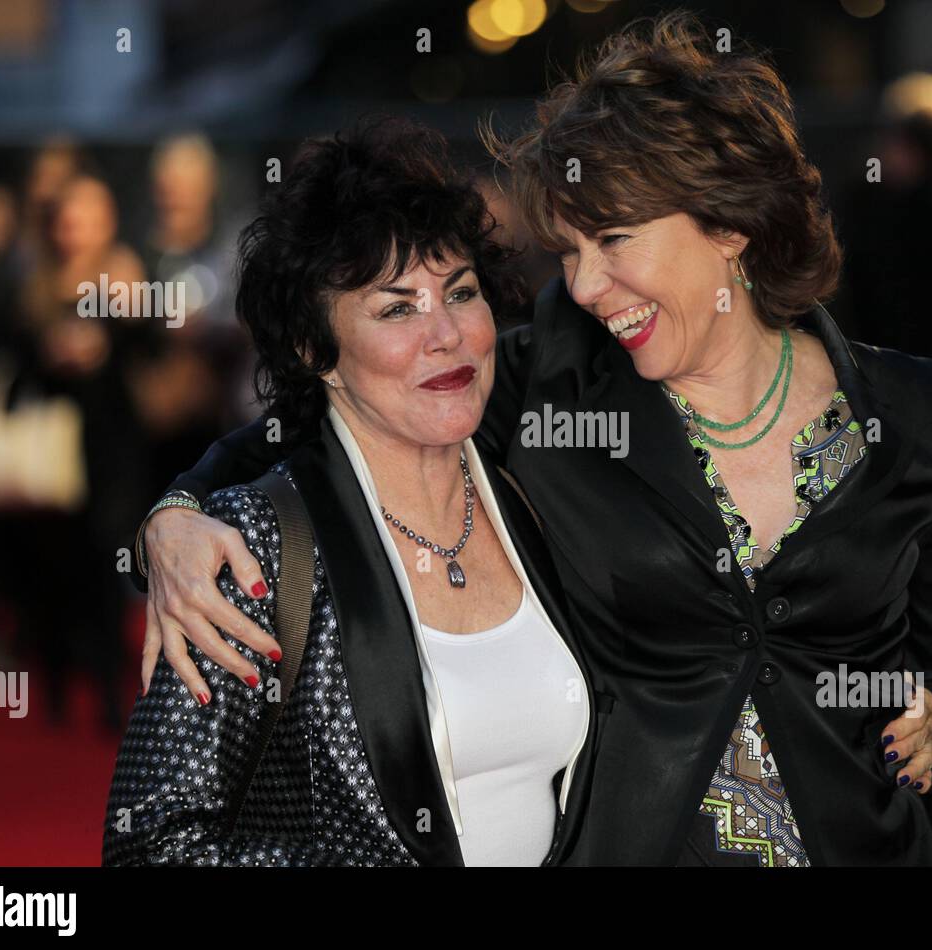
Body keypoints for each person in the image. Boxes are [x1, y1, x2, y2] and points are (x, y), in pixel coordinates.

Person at [131, 13, 932, 866]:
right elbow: (317, 424)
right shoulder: (552, 386)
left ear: (729, 222)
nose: (585, 286)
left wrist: (916, 707)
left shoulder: (915, 411)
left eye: (612, 240)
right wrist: (174, 514)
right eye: (566, 250)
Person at [104, 118, 600, 866]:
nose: (446, 334)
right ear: (316, 351)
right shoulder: (251, 552)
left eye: (460, 293)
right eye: (396, 307)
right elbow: (151, 843)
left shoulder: (531, 491)